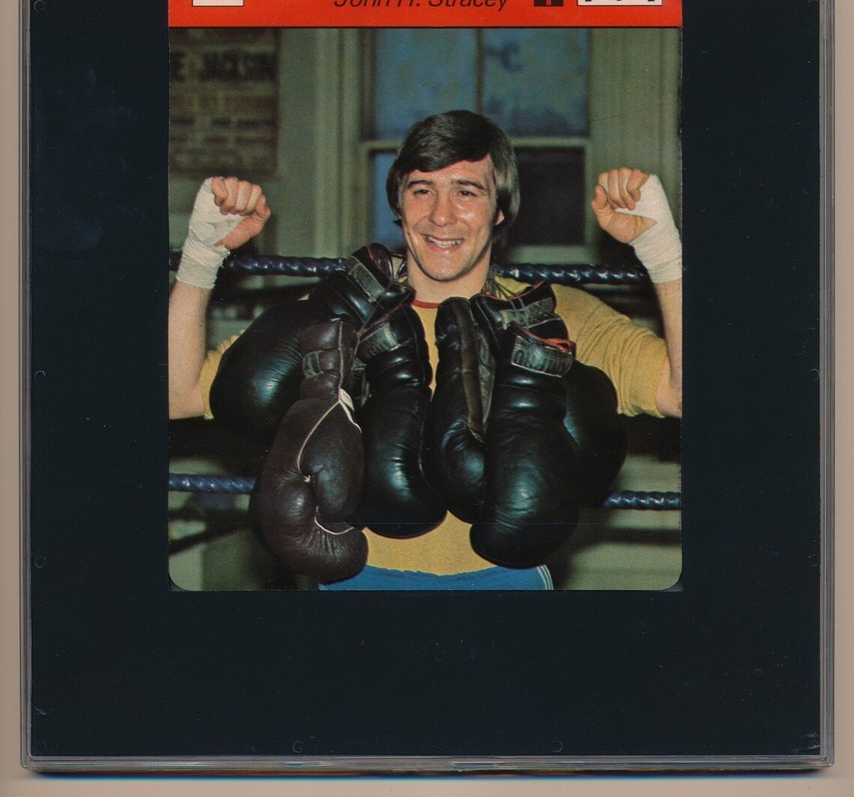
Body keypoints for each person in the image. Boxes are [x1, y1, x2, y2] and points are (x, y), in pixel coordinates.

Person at [169, 110, 681, 590]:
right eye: (422, 190)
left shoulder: (553, 317)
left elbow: (682, 394)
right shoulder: (337, 315)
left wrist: (660, 251)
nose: (441, 216)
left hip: (505, 582)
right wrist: (201, 256)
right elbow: (178, 394)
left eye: (466, 191)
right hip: (360, 579)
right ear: (398, 204)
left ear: (500, 209)